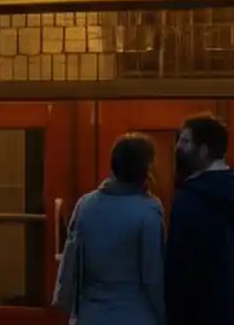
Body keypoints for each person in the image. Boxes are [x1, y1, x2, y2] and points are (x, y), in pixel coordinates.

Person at [165, 113, 234, 325]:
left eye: (185, 141)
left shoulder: (188, 200)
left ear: (203, 150)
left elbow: (178, 268)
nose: (178, 146)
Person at [53, 133, 166, 325]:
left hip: (91, 314)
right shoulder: (149, 211)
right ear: (146, 168)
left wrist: (65, 301)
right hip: (136, 314)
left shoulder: (86, 205)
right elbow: (153, 277)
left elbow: (72, 259)